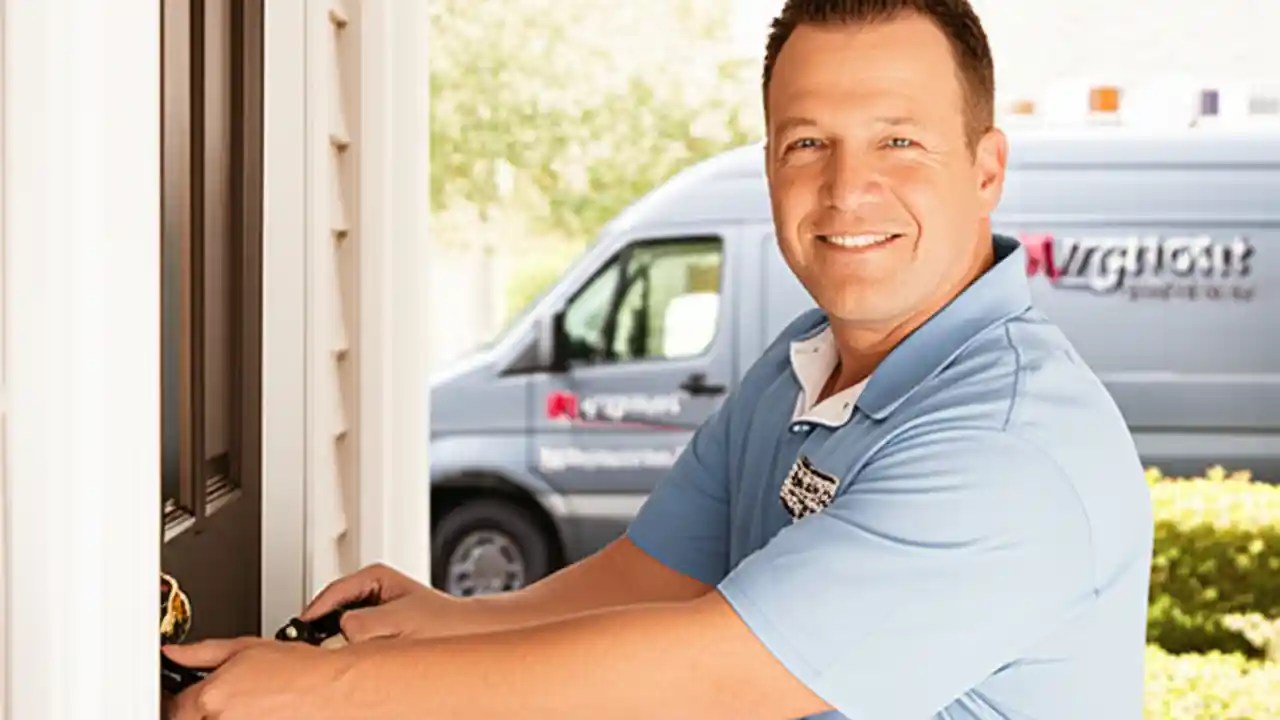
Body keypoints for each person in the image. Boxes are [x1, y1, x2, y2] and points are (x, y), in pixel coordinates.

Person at [165, 1, 1154, 717]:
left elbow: (709, 674)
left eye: (896, 141)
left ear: (984, 170)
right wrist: (444, 624)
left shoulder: (1003, 447)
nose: (846, 190)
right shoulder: (804, 366)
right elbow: (652, 582)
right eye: (806, 142)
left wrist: (337, 690)